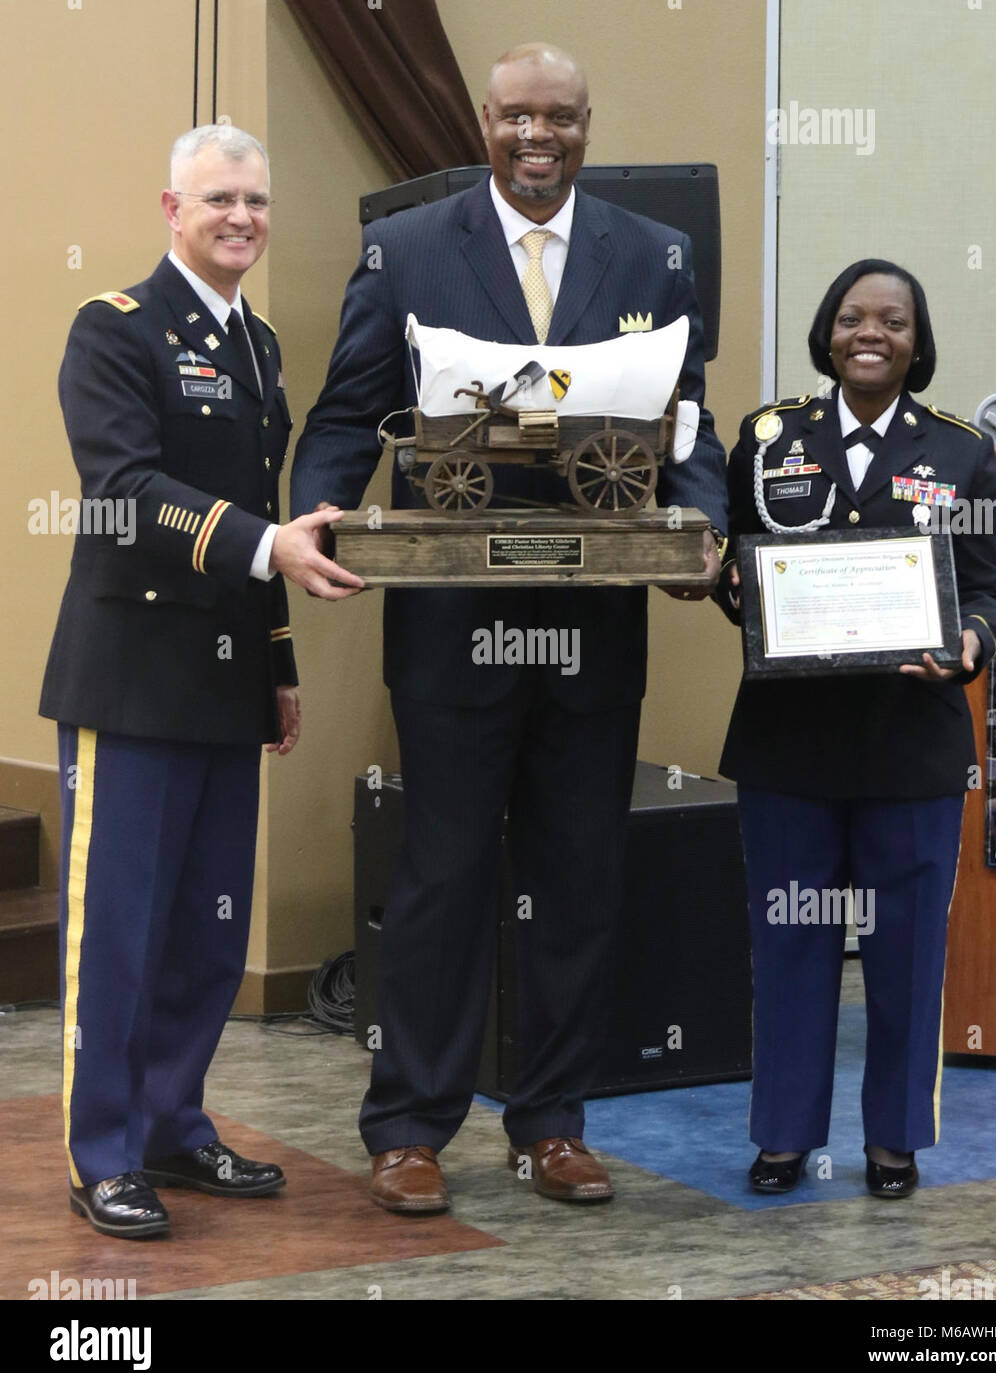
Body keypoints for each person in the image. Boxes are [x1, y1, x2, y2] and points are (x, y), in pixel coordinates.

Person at [291, 43, 726, 1212]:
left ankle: (552, 1124)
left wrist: (704, 524)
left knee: (578, 873)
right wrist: (314, 511)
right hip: (452, 626)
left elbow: (694, 428)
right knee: (441, 871)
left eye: (562, 119)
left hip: (595, 629)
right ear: (486, 121)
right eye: (519, 117)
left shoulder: (656, 254)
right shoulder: (410, 249)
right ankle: (411, 1128)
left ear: (590, 124)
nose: (540, 137)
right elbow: (347, 408)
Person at [39, 124, 362, 1239]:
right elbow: (126, 488)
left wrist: (276, 664)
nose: (242, 216)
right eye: (220, 196)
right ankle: (104, 1151)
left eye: (257, 200)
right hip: (130, 680)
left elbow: (261, 507)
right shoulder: (113, 330)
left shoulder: (259, 344)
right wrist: (273, 550)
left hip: (226, 686)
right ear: (171, 209)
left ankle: (174, 1121)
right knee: (117, 930)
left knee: (206, 931)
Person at [718, 259, 996, 1198]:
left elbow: (991, 586)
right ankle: (781, 1137)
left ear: (916, 340)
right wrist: (731, 586)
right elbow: (735, 561)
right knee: (789, 948)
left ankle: (894, 1142)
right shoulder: (767, 438)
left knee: (906, 953)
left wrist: (967, 638)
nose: (869, 334)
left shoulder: (963, 452)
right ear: (827, 331)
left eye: (890, 320)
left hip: (911, 749)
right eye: (851, 318)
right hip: (788, 746)